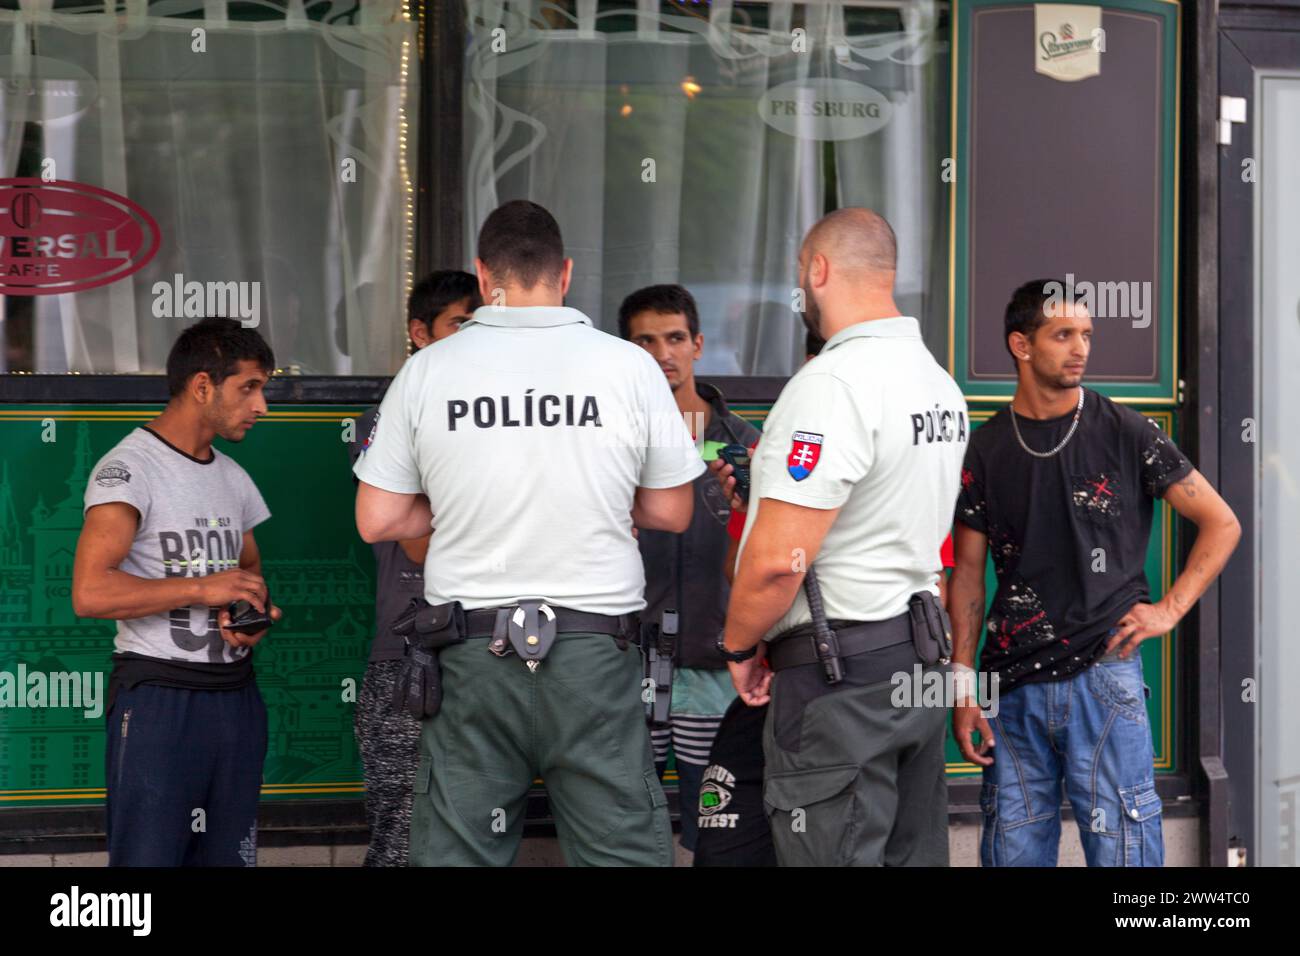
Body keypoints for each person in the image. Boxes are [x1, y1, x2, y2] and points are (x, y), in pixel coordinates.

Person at [352, 200, 703, 866]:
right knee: (621, 852)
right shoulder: (627, 368)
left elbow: (380, 517)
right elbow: (672, 511)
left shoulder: (429, 371)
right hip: (594, 657)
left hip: (472, 655)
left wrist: (454, 509)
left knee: (459, 852)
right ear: (565, 274)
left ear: (485, 278)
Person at [948, 279, 1241, 867]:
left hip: (1105, 679)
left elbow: (1222, 521)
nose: (1080, 347)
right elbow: (968, 578)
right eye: (1063, 334)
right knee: (1011, 854)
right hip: (1012, 690)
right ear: (1021, 345)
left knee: (1126, 858)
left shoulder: (1125, 430)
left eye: (1086, 334)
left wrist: (1169, 610)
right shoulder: (985, 448)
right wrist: (961, 686)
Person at [717, 207, 967, 866]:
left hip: (842, 682)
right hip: (916, 664)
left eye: (802, 274)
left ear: (819, 270)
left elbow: (776, 563)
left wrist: (740, 645)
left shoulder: (833, 385)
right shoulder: (937, 383)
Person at [72, 318, 281, 866]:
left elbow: (252, 572)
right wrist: (204, 587)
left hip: (236, 698)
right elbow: (90, 592)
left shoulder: (233, 477)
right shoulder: (128, 469)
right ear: (203, 386)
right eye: (250, 388)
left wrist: (251, 613)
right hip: (160, 697)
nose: (262, 406)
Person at [617, 283, 761, 855]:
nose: (662, 354)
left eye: (675, 338)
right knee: (631, 815)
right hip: (631, 658)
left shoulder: (743, 444)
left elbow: (769, 555)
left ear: (698, 343)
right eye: (645, 341)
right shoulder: (613, 438)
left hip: (715, 661)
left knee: (714, 821)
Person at [348, 270, 481, 867]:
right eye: (459, 325)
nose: (472, 339)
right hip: (412, 658)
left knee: (473, 832)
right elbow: (422, 546)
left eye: (481, 325)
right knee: (404, 835)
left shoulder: (487, 408)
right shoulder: (396, 412)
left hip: (486, 648)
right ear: (419, 333)